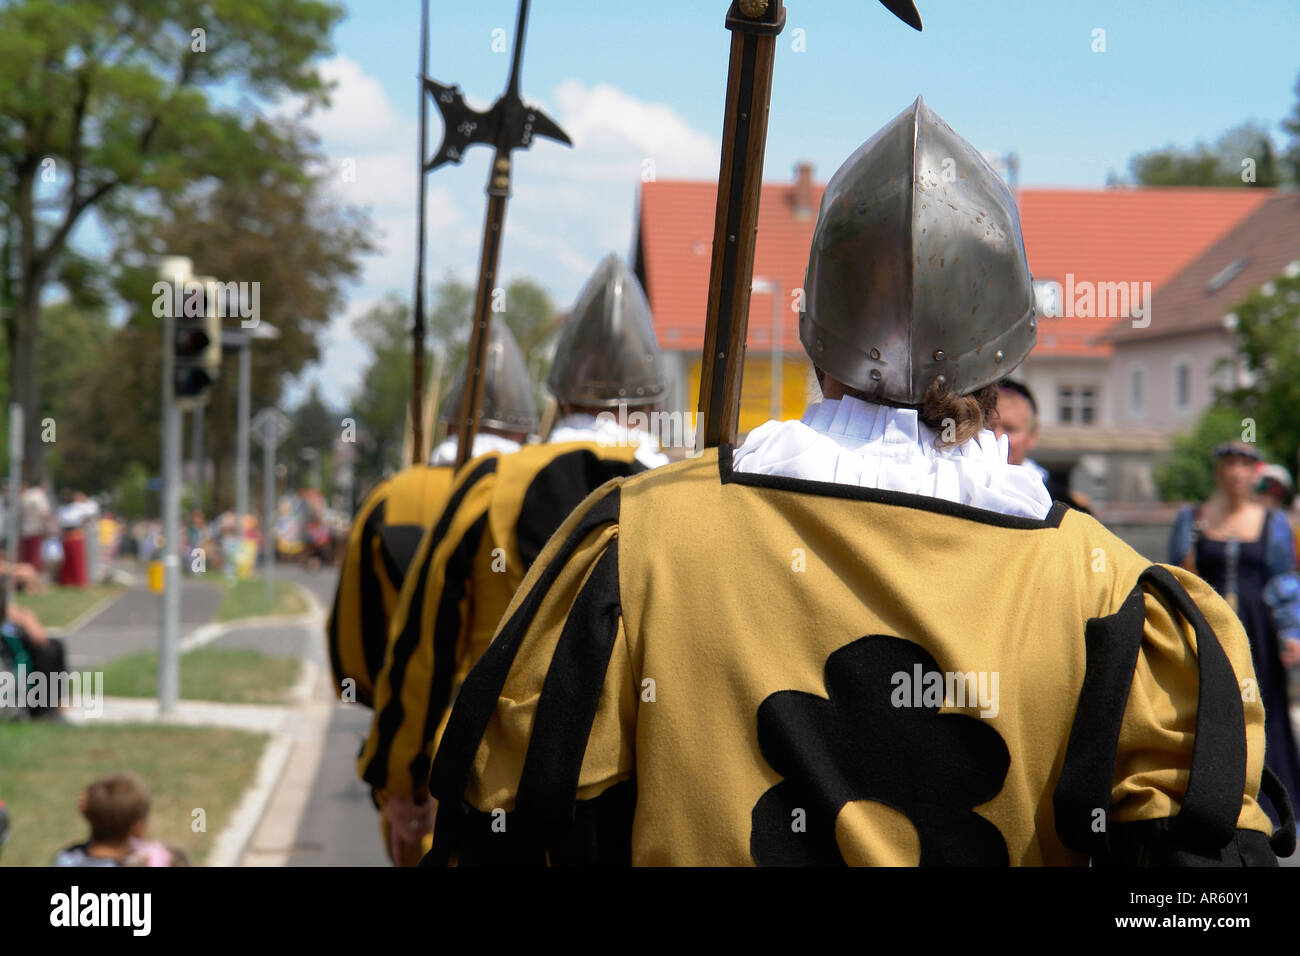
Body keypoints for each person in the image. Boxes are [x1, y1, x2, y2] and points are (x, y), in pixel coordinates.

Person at [422, 97, 1288, 867]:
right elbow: (1200, 867)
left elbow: (511, 814)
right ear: (1010, 352)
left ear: (813, 335)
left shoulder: (639, 537)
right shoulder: (1114, 594)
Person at [360, 253, 671, 865]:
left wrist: (403, 779)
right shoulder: (689, 493)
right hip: (636, 819)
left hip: (494, 802)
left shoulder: (488, 486)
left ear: (557, 391)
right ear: (654, 399)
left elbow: (423, 646)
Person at [327, 319, 538, 710]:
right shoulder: (540, 496)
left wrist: (386, 697)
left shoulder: (390, 498)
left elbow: (351, 641)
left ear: (447, 426)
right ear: (524, 431)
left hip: (408, 721)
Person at [1169, 441, 1300, 825]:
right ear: (1219, 470)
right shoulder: (1193, 518)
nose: (1235, 473)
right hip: (1209, 630)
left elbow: (1284, 581)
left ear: (1254, 473)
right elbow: (1176, 574)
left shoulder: (1272, 522)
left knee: (1264, 706)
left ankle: (1271, 803)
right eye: (1229, 464)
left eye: (1244, 465)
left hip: (1259, 631)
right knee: (1210, 707)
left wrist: (1292, 633)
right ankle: (1209, 798)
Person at [993, 379, 1091, 513]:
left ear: (1032, 435)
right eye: (987, 427)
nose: (997, 437)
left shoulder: (1064, 509)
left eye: (1010, 429)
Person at [18, 480, 52, 574]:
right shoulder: (39, 496)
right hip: (36, 529)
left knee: (26, 556)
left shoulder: (24, 496)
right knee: (35, 556)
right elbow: (44, 513)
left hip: (25, 529)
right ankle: (33, 576)